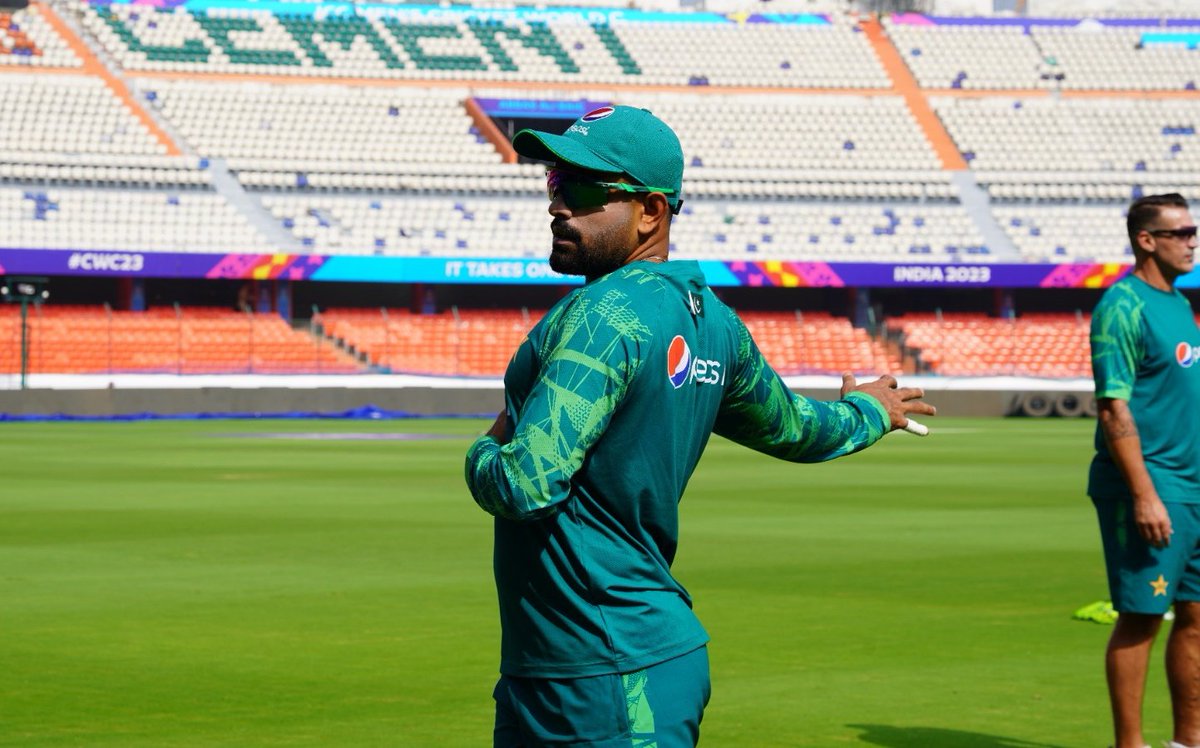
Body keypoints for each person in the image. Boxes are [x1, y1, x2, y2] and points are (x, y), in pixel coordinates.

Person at [463, 105, 935, 747]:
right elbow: (797, 428)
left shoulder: (601, 315)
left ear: (651, 212)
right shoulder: (713, 321)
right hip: (586, 663)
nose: (557, 207)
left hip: (603, 674)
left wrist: (482, 452)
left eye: (578, 190)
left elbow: (524, 483)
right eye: (552, 184)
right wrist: (871, 412)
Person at [1089, 192, 1200, 748]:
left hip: (1195, 487)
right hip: (1152, 486)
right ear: (1146, 240)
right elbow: (1113, 405)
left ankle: (1188, 741)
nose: (1192, 241)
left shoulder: (1180, 305)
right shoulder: (1122, 305)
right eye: (1181, 232)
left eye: (1193, 231)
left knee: (1197, 616)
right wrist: (1145, 494)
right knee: (1141, 616)